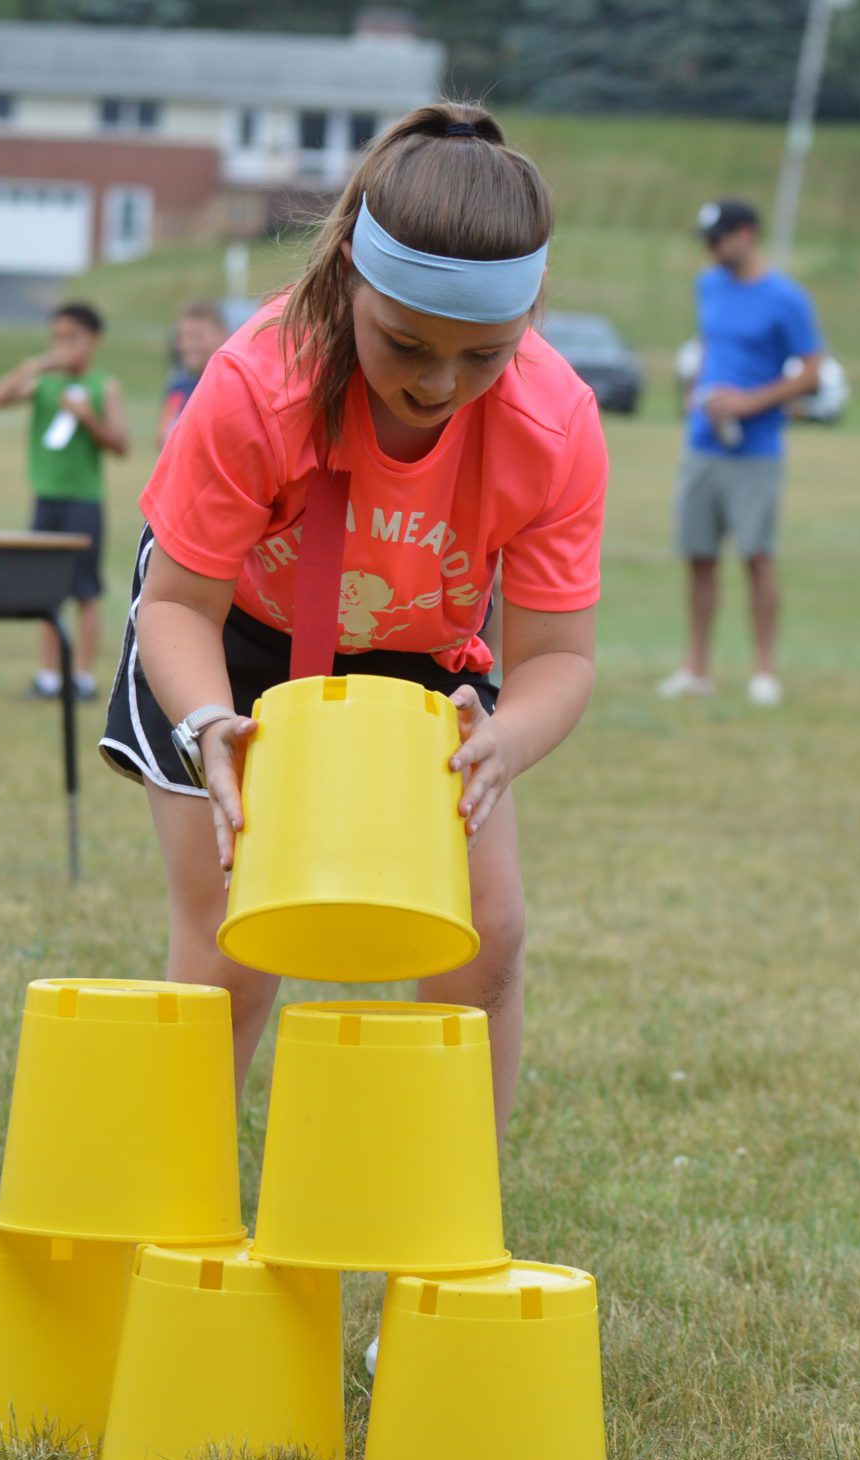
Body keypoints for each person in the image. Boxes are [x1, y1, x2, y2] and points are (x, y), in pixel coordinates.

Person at [100, 101, 608, 1143]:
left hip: (417, 656)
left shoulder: (552, 424)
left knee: (486, 935)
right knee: (232, 937)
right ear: (345, 279)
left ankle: (444, 1213)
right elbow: (176, 604)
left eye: (483, 356)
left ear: (528, 320)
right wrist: (208, 727)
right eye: (406, 343)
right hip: (227, 641)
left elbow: (556, 653)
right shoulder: (255, 383)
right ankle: (180, 1208)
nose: (437, 383)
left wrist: (500, 740)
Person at [661, 198, 822, 708]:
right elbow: (709, 343)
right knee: (700, 558)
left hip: (756, 449)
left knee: (756, 557)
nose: (711, 250)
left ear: (747, 234)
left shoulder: (787, 299)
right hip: (702, 443)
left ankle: (764, 670)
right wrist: (697, 390)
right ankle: (697, 668)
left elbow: (812, 371)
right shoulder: (707, 284)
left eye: (718, 239)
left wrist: (751, 402)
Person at [0, 301, 128, 701]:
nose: (63, 346)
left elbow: (120, 445)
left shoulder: (105, 386)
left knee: (85, 592)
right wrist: (34, 367)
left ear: (93, 341)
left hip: (84, 502)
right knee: (46, 589)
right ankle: (47, 674)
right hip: (45, 500)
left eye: (72, 338)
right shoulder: (43, 385)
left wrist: (88, 418)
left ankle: (81, 676)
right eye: (57, 338)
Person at [157, 302, 229, 450]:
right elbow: (162, 440)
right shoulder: (177, 387)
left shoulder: (231, 388)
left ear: (222, 335)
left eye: (197, 337)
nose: (188, 345)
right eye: (183, 337)